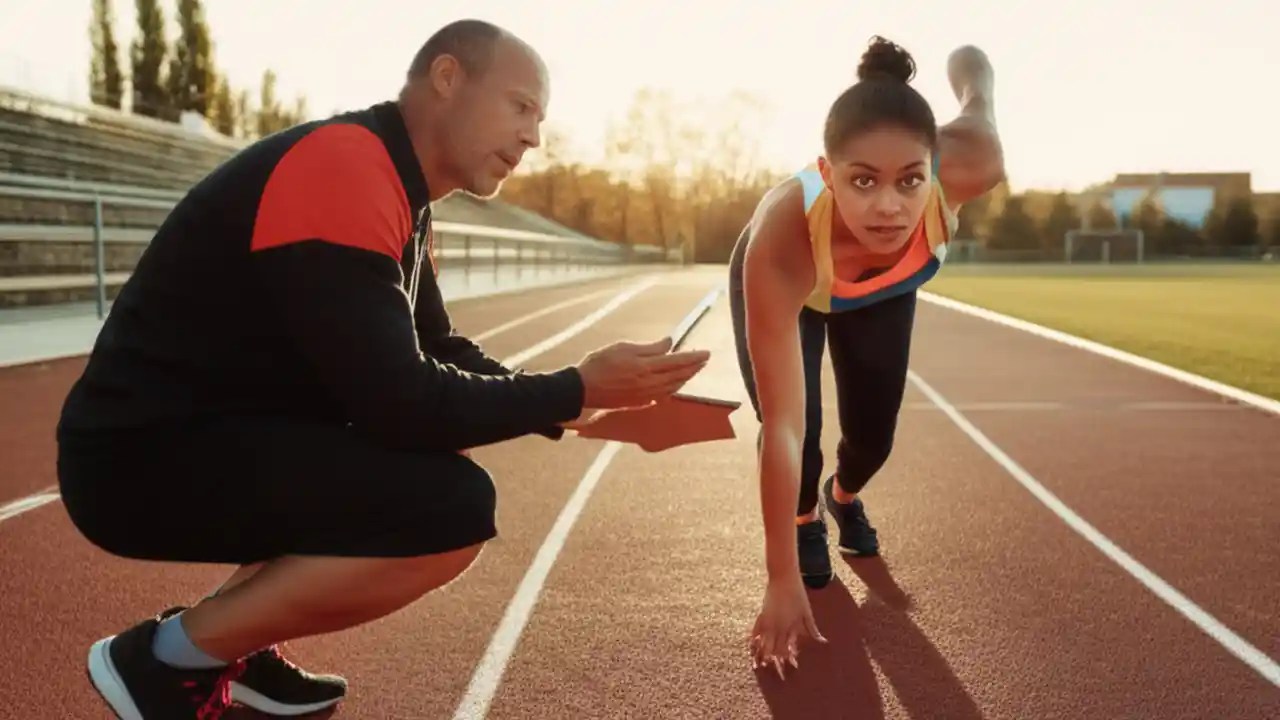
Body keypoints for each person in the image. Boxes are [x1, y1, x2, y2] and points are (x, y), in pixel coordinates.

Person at [56, 19, 709, 719]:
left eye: (539, 118)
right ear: (448, 78)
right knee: (448, 506)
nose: (533, 137)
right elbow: (401, 401)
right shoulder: (343, 167)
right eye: (521, 106)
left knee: (421, 463)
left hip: (209, 434)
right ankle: (165, 660)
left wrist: (586, 406)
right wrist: (574, 386)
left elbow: (439, 349)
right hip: (138, 458)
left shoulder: (400, 190)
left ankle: (231, 648)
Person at [728, 35, 1005, 675]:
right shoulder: (784, 237)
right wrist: (780, 576)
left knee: (874, 437)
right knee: (802, 434)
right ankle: (806, 518)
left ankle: (843, 498)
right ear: (827, 174)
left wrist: (965, 60)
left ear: (935, 169)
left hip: (883, 293)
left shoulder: (975, 163)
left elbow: (979, 87)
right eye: (862, 181)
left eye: (910, 180)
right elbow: (784, 424)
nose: (888, 206)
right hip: (802, 286)